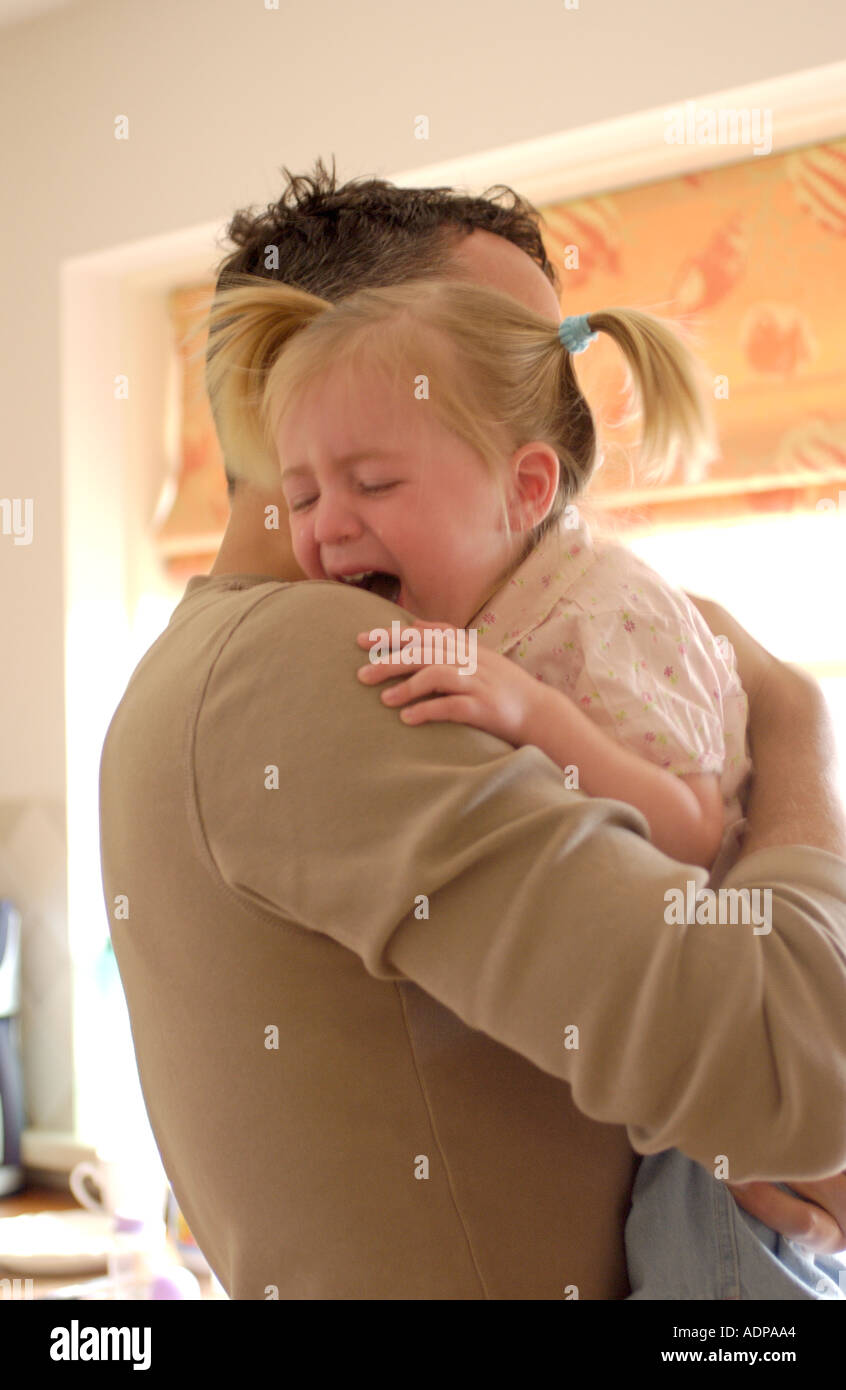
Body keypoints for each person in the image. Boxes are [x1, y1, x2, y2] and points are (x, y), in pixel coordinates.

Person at [99, 159, 846, 1299]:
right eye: (501, 358)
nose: (551, 423)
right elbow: (807, 1071)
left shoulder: (192, 676)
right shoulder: (320, 663)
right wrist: (797, 725)